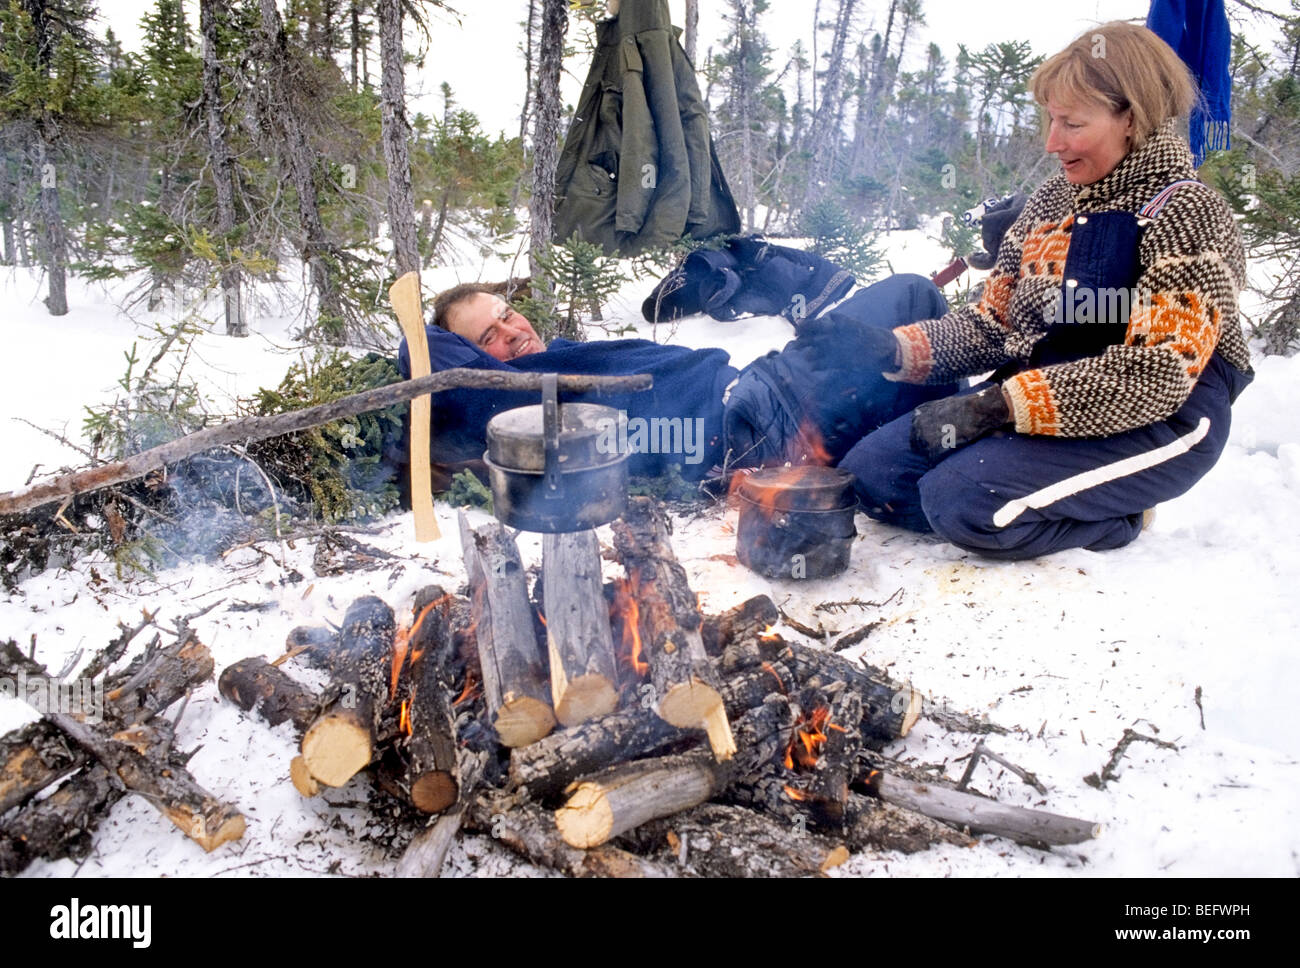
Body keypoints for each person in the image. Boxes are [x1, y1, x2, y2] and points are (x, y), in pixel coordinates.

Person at [832, 21, 1253, 560]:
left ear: (1131, 117)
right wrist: (894, 348)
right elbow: (994, 324)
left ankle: (1120, 516)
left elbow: (1158, 374)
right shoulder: (1051, 202)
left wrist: (998, 407)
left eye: (1072, 124)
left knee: (964, 501)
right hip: (1044, 394)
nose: (1052, 143)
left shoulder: (1184, 212)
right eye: (1051, 120)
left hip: (1166, 417)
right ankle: (1041, 489)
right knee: (874, 479)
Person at [395, 270, 961, 489]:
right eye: (488, 336)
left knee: (899, 338)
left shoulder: (561, 356)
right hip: (758, 422)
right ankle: (967, 441)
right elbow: (423, 357)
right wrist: (417, 328)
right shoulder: (505, 399)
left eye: (506, 313)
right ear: (471, 361)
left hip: (764, 388)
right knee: (908, 295)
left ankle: (968, 431)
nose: (512, 332)